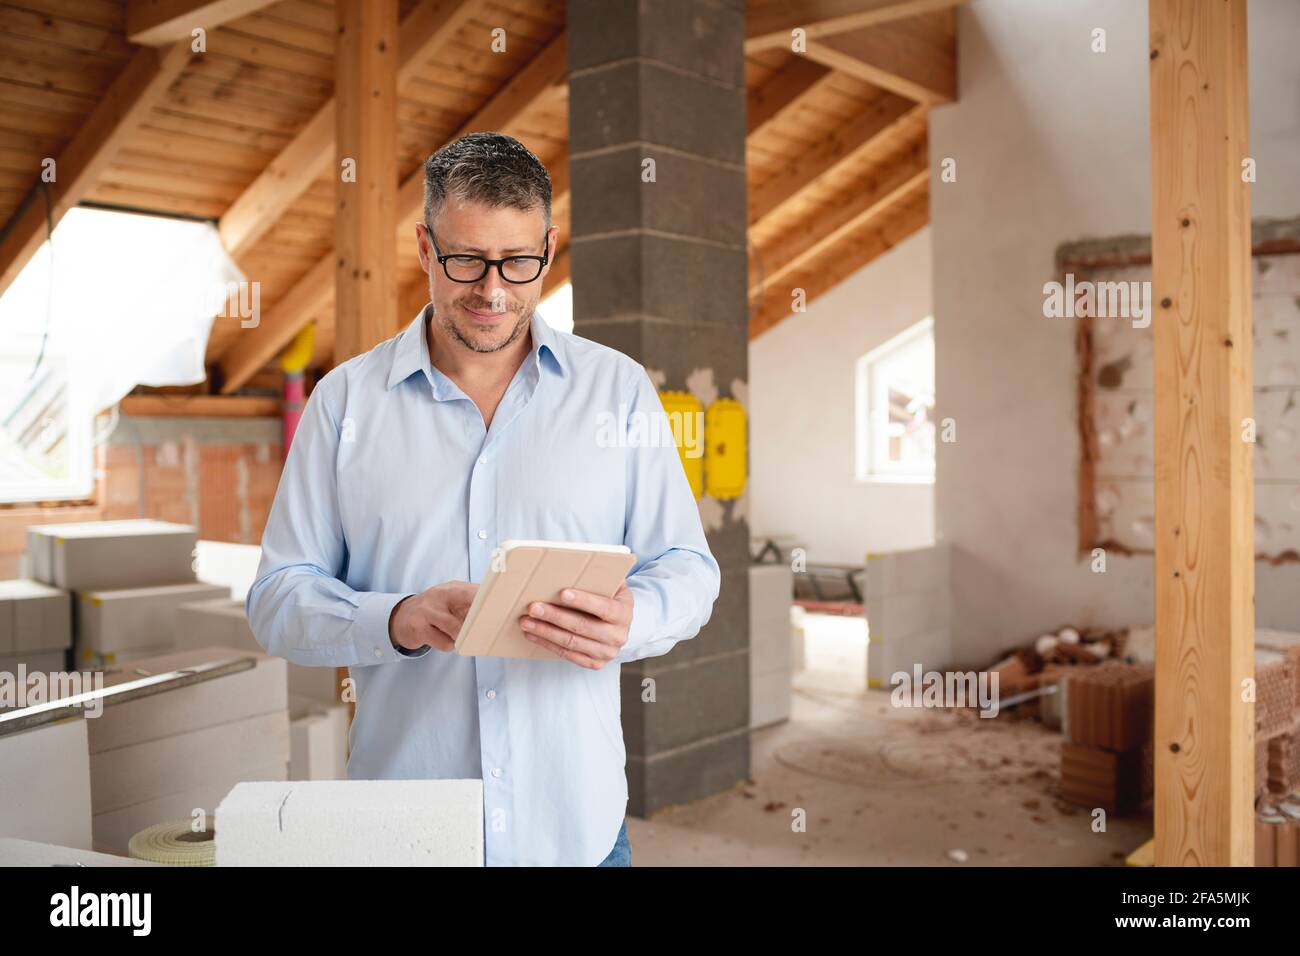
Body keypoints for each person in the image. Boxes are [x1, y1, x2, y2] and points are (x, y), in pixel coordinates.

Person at [246, 131, 721, 866]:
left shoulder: (617, 390)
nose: (494, 290)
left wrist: (635, 619)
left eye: (519, 261)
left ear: (550, 247)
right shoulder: (344, 404)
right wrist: (396, 619)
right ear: (425, 247)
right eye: (467, 259)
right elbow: (277, 598)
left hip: (576, 833)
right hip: (406, 837)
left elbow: (688, 566)